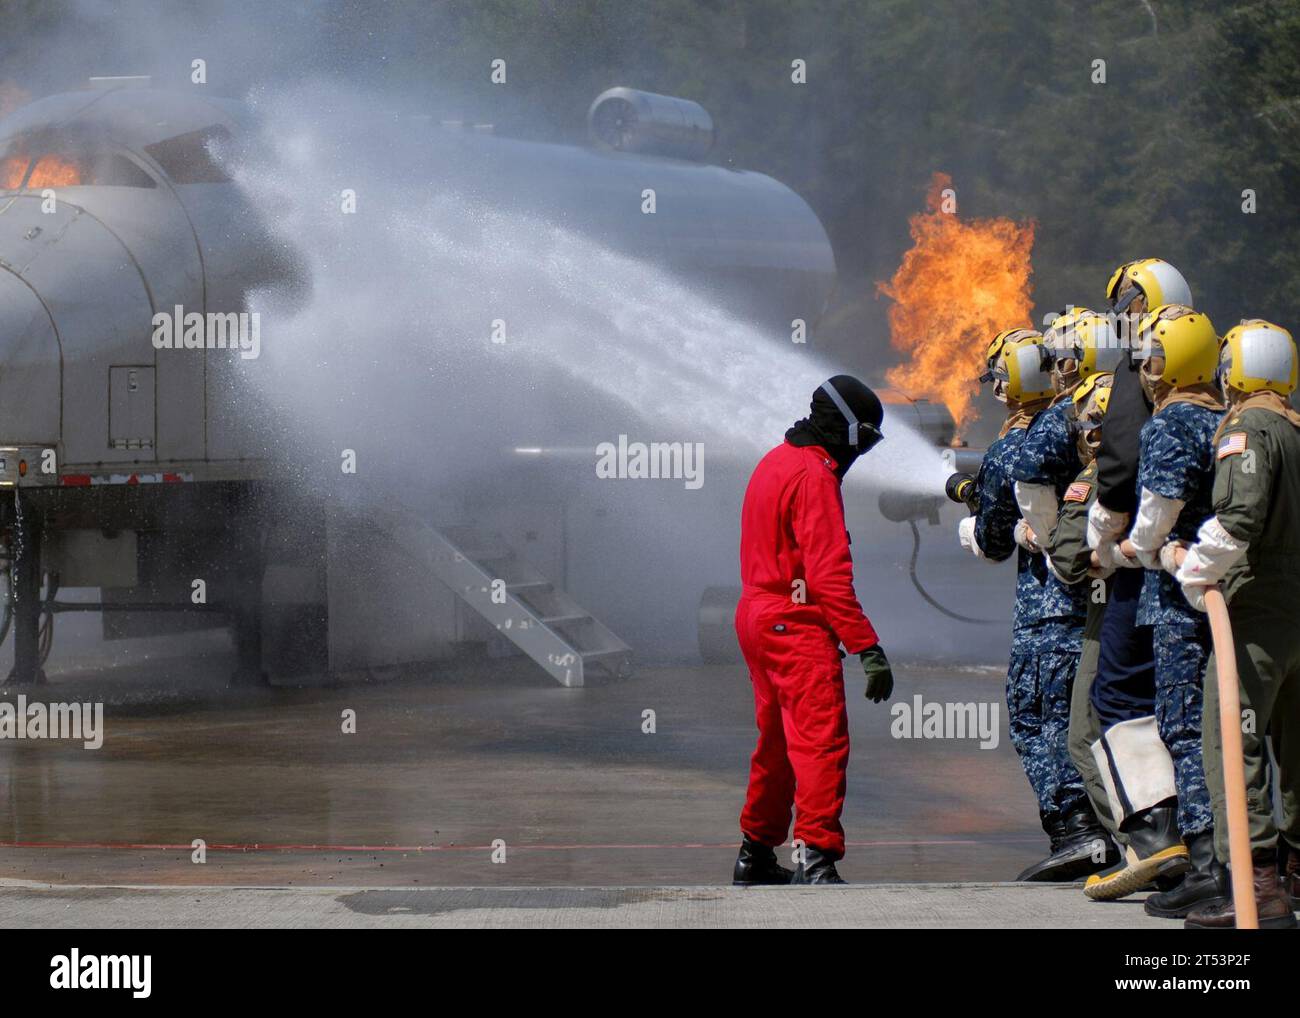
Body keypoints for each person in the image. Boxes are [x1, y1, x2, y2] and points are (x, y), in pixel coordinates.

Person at [1084, 305, 1224, 913]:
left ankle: (1204, 863)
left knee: (1183, 726)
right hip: (1220, 589)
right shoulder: (1229, 420)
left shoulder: (1169, 426)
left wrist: (1120, 550)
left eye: (1154, 357)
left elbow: (1153, 520)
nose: (1148, 369)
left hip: (1174, 598)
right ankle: (1248, 860)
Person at [733, 375, 894, 886]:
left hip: (757, 616)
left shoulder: (776, 459)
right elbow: (827, 578)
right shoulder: (815, 476)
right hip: (794, 623)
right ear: (844, 428)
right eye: (863, 438)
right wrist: (866, 645)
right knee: (821, 742)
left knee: (778, 744)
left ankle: (756, 854)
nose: (862, 452)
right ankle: (815, 857)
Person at [959, 331, 1104, 880]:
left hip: (1049, 615)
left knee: (1036, 718)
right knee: (1094, 719)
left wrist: (973, 523)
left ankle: (1076, 832)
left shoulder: (1013, 448)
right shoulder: (1091, 420)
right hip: (1105, 604)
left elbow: (996, 541)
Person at [1179, 320, 1300, 930]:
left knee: (1233, 741)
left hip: (1257, 616)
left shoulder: (1250, 430)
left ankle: (1257, 888)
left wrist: (1194, 570)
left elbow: (1239, 516)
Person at [1040, 373, 1123, 855]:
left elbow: (1068, 559)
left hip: (1107, 620)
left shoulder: (1094, 479)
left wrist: (1034, 535)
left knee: (1084, 737)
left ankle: (1140, 839)